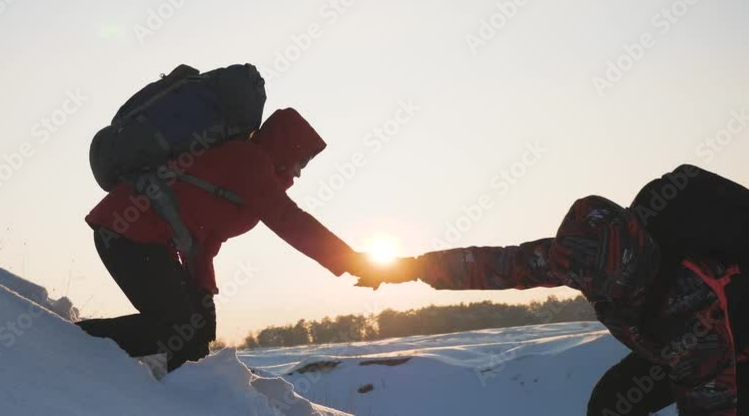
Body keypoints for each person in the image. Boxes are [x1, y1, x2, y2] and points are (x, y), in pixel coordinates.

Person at [364, 164, 748, 416]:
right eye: (588, 284)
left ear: (631, 270)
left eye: (610, 287)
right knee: (611, 405)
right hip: (667, 351)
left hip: (728, 354)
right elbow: (498, 265)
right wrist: (407, 268)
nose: (597, 294)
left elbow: (709, 401)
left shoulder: (692, 307)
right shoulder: (580, 255)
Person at [77, 108, 377, 374]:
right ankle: (61, 341)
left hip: (144, 238)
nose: (299, 173)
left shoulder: (247, 168)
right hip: (123, 230)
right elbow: (290, 220)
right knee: (175, 328)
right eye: (301, 160)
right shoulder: (249, 161)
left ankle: (179, 402)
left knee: (193, 336)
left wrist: (204, 294)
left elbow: (204, 239)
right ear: (287, 147)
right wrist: (350, 260)